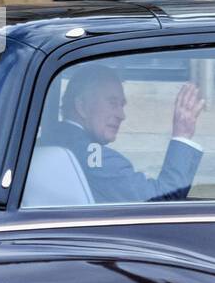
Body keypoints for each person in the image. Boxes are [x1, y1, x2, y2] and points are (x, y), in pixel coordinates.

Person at [40, 64, 205, 204]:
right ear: (81, 106)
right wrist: (182, 135)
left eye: (122, 105)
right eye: (112, 103)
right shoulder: (94, 157)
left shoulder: (49, 141)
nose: (122, 115)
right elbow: (162, 201)